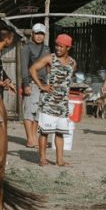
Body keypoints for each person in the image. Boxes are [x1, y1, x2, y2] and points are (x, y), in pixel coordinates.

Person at [30, 33, 76, 167]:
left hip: (62, 104)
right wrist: (41, 86)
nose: (57, 48)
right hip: (48, 102)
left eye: (61, 46)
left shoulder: (73, 63)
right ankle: (42, 159)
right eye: (56, 45)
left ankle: (60, 160)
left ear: (68, 47)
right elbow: (32, 69)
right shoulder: (50, 58)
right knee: (44, 132)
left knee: (60, 133)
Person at [19, 24, 49, 149]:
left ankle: (34, 137)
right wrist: (26, 84)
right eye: (37, 33)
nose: (39, 36)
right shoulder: (26, 48)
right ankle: (30, 139)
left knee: (39, 113)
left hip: (43, 83)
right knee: (29, 112)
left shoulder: (47, 49)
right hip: (31, 82)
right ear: (32, 34)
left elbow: (49, 66)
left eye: (41, 34)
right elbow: (24, 67)